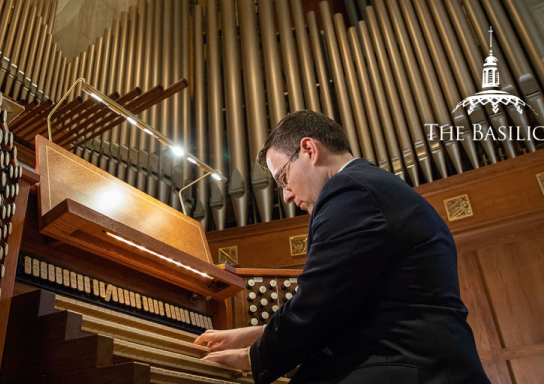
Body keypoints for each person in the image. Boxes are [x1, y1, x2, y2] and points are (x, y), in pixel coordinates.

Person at [194, 111, 490, 384]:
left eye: (283, 178)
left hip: (409, 368)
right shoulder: (370, 186)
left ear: (309, 150)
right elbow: (347, 308)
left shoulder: (350, 190)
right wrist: (257, 333)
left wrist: (253, 357)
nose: (285, 195)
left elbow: (318, 305)